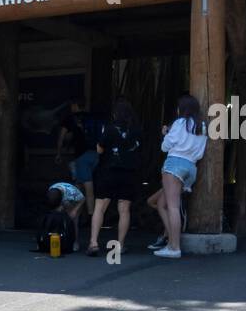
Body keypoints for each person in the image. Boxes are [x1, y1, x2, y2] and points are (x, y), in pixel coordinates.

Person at [152, 94, 208, 259]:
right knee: (162, 204)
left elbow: (165, 146)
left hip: (174, 165)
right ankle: (170, 242)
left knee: (173, 206)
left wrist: (165, 134)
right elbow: (199, 151)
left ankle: (174, 247)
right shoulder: (202, 126)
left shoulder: (179, 123)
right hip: (191, 167)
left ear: (183, 108)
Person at [86, 99, 142, 256]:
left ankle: (93, 242)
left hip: (108, 172)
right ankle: (119, 245)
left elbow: (99, 149)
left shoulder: (110, 129)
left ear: (115, 114)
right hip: (128, 174)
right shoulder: (136, 130)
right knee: (124, 209)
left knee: (100, 207)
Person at [55, 102, 99, 215]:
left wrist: (59, 153)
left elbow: (62, 137)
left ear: (75, 105)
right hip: (96, 155)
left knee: (88, 188)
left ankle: (90, 216)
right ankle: (75, 214)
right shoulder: (92, 117)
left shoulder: (70, 118)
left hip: (82, 155)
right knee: (78, 185)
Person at [37, 181, 84, 253]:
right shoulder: (52, 190)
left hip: (74, 201)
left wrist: (74, 210)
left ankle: (74, 242)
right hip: (59, 200)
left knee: (73, 221)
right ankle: (45, 239)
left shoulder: (72, 193)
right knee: (54, 217)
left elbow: (83, 199)